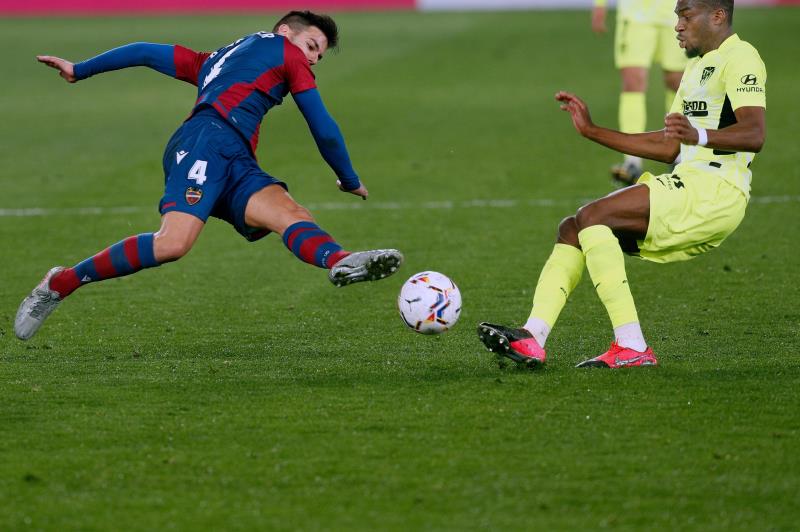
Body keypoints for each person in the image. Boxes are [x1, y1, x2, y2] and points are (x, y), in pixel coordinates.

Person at [15, 11, 403, 341]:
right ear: (286, 32)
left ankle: (339, 259)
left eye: (319, 53)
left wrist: (80, 70)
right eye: (313, 46)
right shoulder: (285, 51)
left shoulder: (215, 58)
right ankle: (60, 284)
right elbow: (323, 126)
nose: (314, 58)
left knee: (291, 215)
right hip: (205, 143)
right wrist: (348, 178)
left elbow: (146, 52)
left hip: (233, 155)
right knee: (172, 244)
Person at [478, 0, 765, 368]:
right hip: (690, 184)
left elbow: (755, 133)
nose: (676, 24)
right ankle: (533, 337)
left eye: (685, 15)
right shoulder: (697, 67)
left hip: (716, 191)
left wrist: (699, 135)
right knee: (572, 229)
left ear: (718, 16)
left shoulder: (741, 57)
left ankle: (632, 346)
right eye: (677, 15)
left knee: (593, 216)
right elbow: (668, 144)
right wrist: (592, 131)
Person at [592, 0, 687, 185]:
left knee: (677, 82)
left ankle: (679, 155)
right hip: (636, 13)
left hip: (675, 11)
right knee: (632, 82)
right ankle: (632, 161)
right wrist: (599, 4)